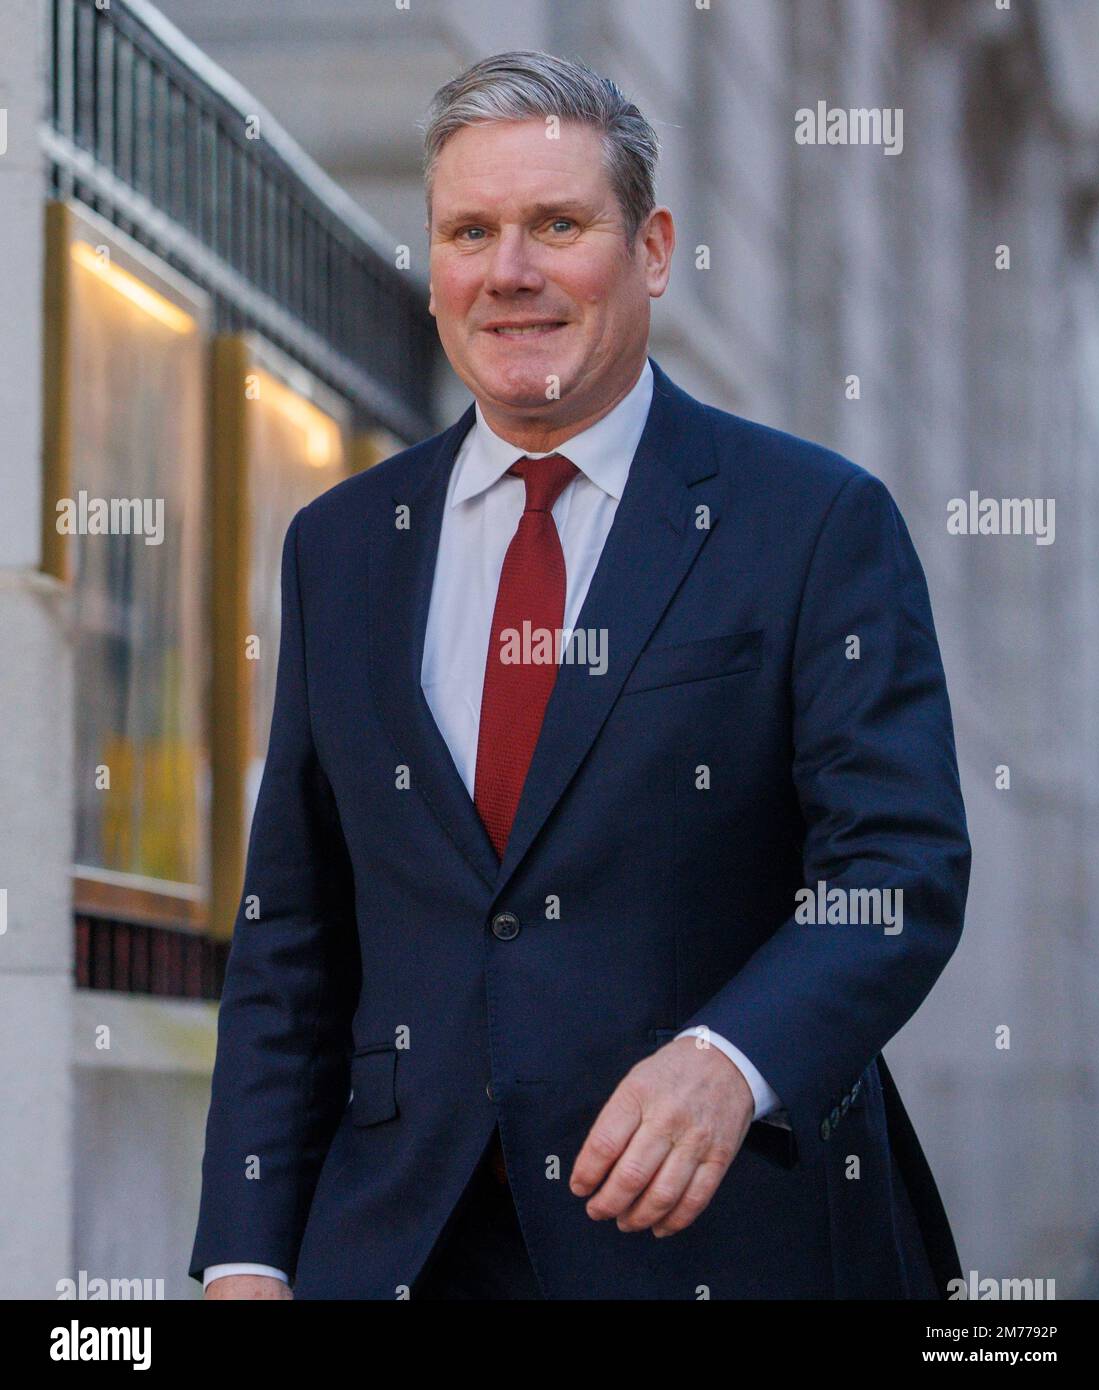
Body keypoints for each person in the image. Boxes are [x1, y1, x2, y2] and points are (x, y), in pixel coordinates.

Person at [192, 49, 971, 1300]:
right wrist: (243, 1255)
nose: (509, 272)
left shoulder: (813, 521)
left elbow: (896, 870)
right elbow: (294, 934)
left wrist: (732, 1057)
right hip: (400, 1249)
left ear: (652, 250)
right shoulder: (339, 546)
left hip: (714, 1240)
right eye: (471, 231)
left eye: (558, 224)